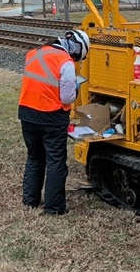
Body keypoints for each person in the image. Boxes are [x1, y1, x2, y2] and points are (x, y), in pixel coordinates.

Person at [18, 29, 90, 215]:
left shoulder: (34, 53)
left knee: (34, 157)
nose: (75, 59)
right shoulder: (65, 62)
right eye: (78, 56)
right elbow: (67, 98)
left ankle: (30, 200)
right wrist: (75, 87)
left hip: (27, 113)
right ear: (76, 48)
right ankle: (54, 207)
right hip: (51, 116)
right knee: (55, 161)